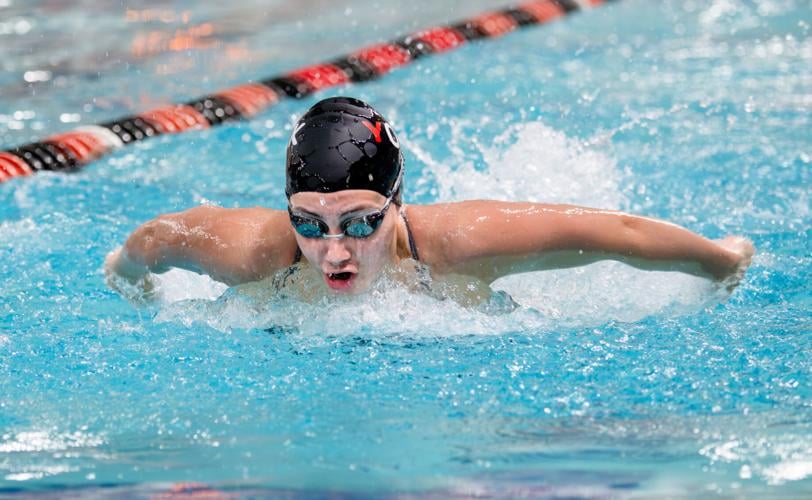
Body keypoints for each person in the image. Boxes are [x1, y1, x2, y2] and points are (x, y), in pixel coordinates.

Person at [105, 96, 754, 306]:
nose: (333, 251)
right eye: (310, 223)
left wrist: (723, 261)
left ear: (396, 202)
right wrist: (134, 291)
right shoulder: (254, 252)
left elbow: (620, 231)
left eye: (360, 223)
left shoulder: (461, 244)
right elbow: (149, 244)